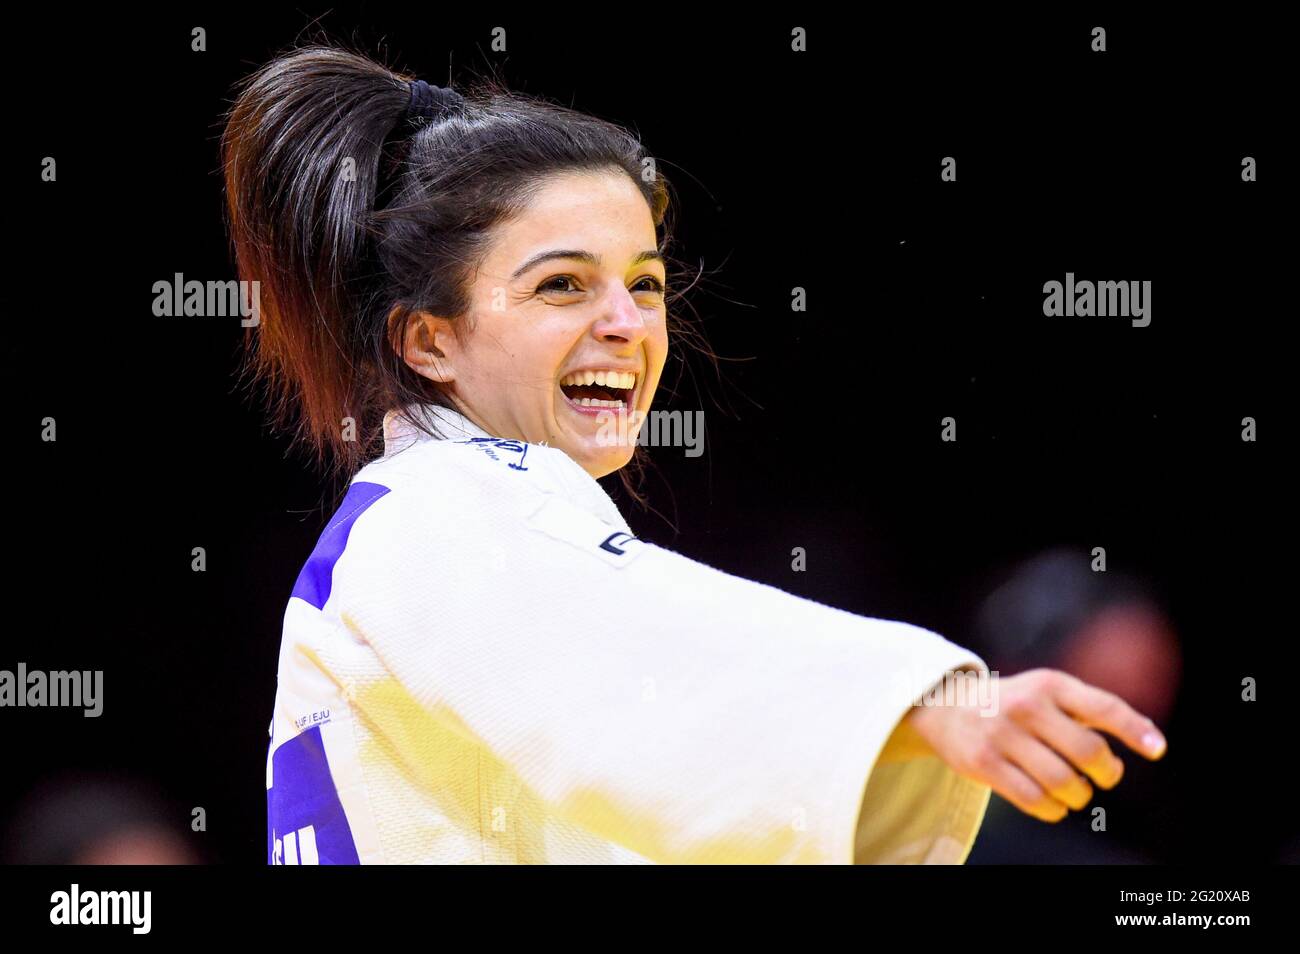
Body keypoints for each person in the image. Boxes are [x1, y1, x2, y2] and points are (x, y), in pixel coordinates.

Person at [224, 46, 1167, 864]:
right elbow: (635, 658)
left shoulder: (432, 535)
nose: (627, 325)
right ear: (428, 341)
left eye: (646, 284)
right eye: (561, 285)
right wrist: (920, 706)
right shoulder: (432, 516)